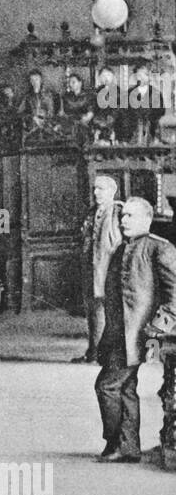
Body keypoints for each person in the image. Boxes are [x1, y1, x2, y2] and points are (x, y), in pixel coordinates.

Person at [94, 198, 176, 462]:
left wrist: (157, 327)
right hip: (119, 334)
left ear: (147, 219)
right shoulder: (122, 248)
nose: (123, 220)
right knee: (126, 387)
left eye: (130, 216)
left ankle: (115, 444)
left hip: (139, 335)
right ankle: (127, 446)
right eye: (123, 216)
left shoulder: (159, 248)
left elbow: (175, 295)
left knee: (106, 386)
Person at [75, 176, 122, 364]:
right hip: (92, 271)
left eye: (101, 189)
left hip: (108, 271)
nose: (96, 193)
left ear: (112, 191)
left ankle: (105, 355)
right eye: (95, 189)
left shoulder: (118, 212)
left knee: (108, 313)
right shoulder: (92, 212)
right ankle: (94, 351)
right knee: (93, 312)